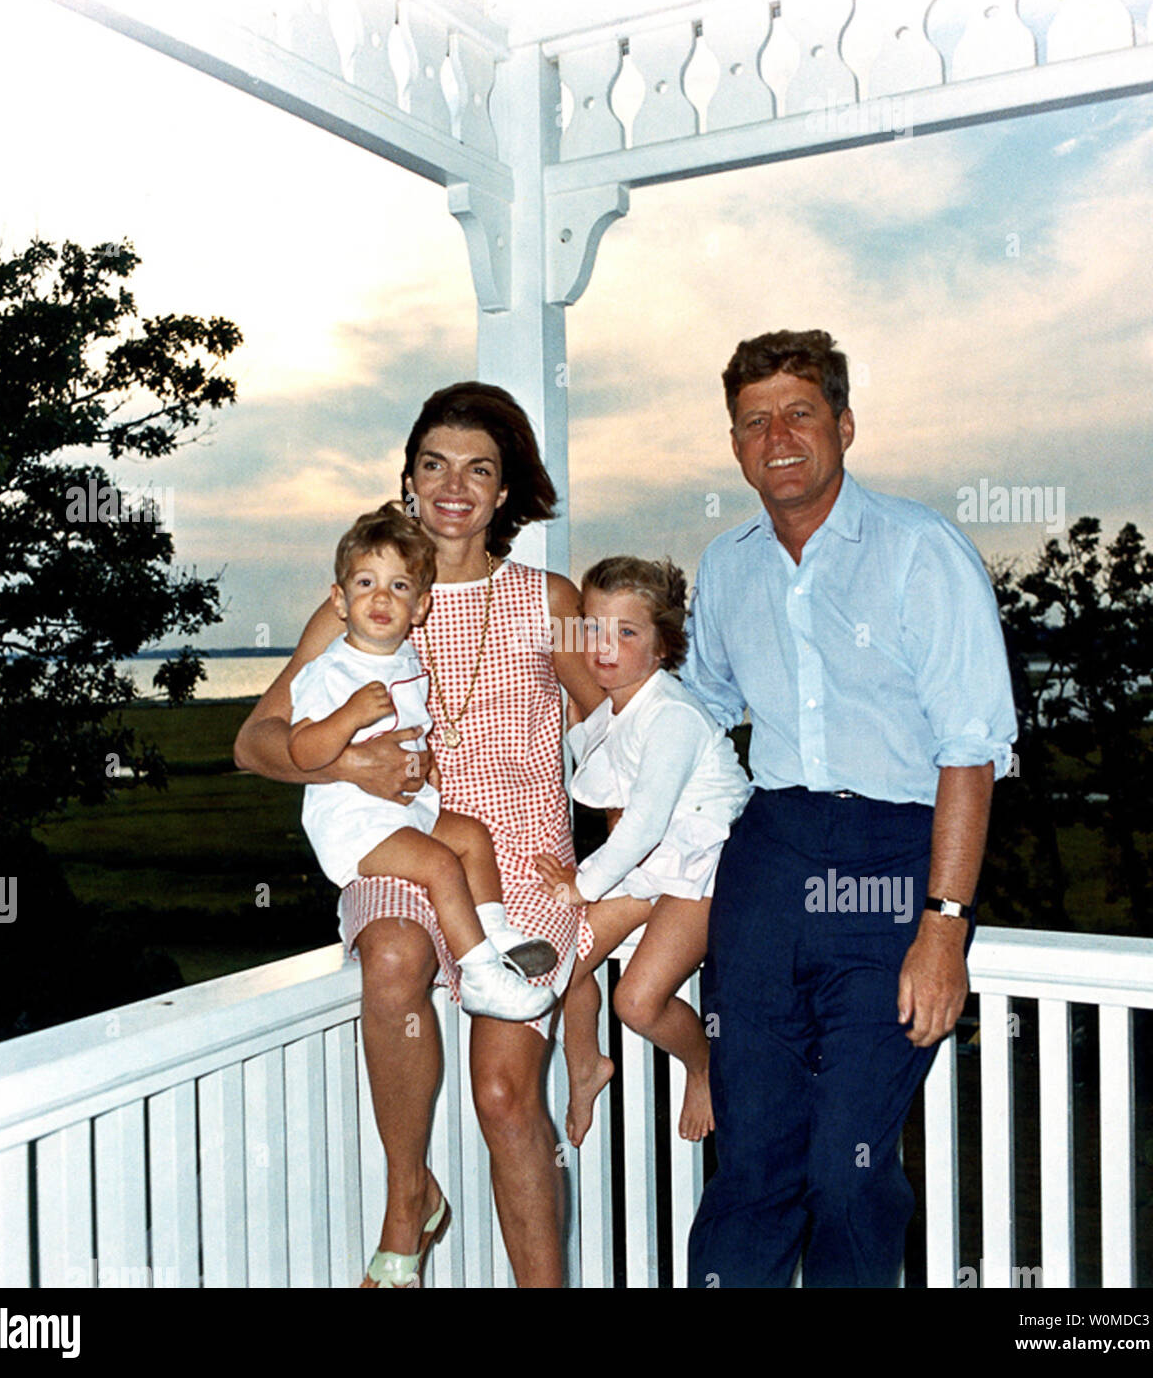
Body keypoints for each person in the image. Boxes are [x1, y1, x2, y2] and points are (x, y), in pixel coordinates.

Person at [233, 383, 601, 1289]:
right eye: (433, 464)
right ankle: (408, 1202)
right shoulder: (364, 598)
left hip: (519, 857)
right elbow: (252, 744)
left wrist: (623, 869)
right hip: (405, 837)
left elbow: (617, 732)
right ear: (407, 479)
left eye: (479, 468)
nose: (453, 485)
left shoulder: (550, 597)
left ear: (506, 490)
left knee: (507, 1097)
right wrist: (346, 768)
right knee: (392, 952)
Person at [683, 329, 1017, 1288]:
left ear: (844, 425)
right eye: (753, 421)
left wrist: (943, 929)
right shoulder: (729, 562)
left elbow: (970, 750)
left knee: (846, 1166)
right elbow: (700, 716)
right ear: (736, 445)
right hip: (767, 859)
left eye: (798, 412)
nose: (776, 435)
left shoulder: (919, 550)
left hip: (890, 863)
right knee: (748, 1158)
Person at [288, 502, 556, 1023]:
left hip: (403, 809)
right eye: (365, 584)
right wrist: (345, 718)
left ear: (420, 607)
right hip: (355, 824)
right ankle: (481, 978)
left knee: (472, 837)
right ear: (339, 601)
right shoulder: (331, 670)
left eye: (399, 587)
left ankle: (496, 935)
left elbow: (404, 731)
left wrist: (423, 759)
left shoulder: (405, 658)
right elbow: (303, 752)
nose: (381, 598)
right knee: (439, 864)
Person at [535, 556, 750, 1146]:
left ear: (663, 648)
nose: (606, 646)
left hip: (703, 867)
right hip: (652, 870)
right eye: (595, 629)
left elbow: (645, 823)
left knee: (636, 1000)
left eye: (627, 633)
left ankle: (702, 1063)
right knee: (562, 961)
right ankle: (589, 1064)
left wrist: (581, 884)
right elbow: (605, 782)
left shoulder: (673, 714)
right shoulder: (616, 708)